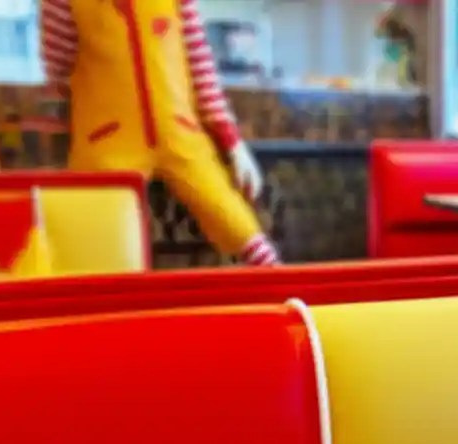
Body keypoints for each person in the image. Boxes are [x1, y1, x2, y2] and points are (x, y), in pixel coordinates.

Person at [40, 0, 279, 266]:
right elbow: (58, 72)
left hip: (181, 136)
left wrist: (232, 142)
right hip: (107, 143)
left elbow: (200, 67)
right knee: (95, 246)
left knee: (240, 227)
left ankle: (287, 294)